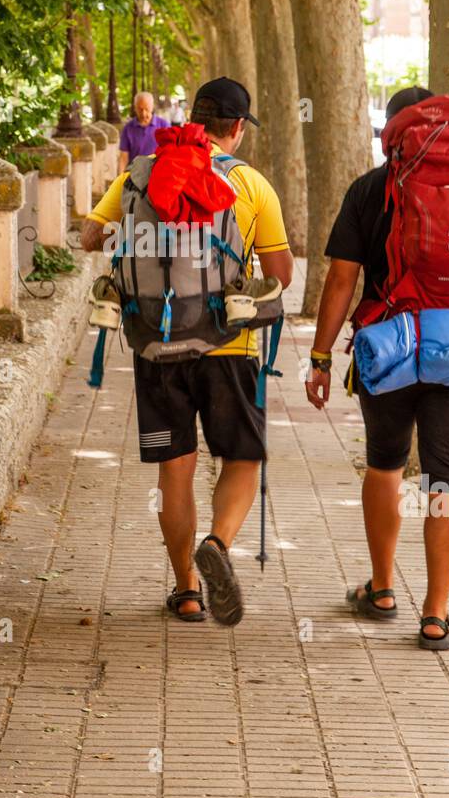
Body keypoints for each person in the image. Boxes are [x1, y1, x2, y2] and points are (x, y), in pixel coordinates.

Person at [306, 86, 449, 650]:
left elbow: (341, 279)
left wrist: (320, 355)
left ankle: (382, 589)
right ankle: (435, 616)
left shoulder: (371, 189)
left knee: (385, 463)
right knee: (448, 476)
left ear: (392, 135)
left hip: (390, 344)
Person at [81, 77, 294, 625]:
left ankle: (188, 590)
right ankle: (219, 544)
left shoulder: (141, 171)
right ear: (238, 128)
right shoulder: (250, 183)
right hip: (231, 342)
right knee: (242, 457)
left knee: (175, 469)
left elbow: (89, 236)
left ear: (194, 121)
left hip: (156, 342)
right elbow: (281, 273)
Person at [118, 91, 169, 173]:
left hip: (159, 173)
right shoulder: (128, 128)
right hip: (135, 175)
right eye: (140, 109)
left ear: (152, 107)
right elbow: (123, 158)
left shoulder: (164, 126)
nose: (143, 113)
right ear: (135, 108)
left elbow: (170, 153)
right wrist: (120, 180)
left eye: (147, 109)